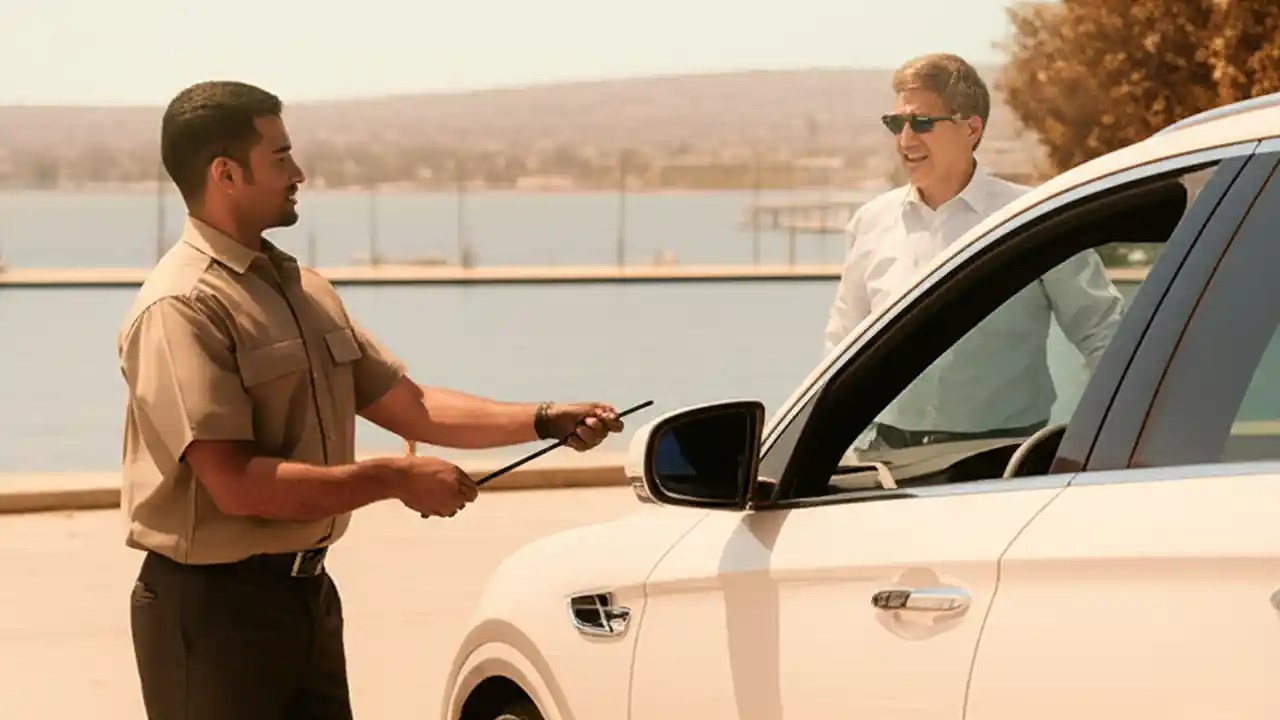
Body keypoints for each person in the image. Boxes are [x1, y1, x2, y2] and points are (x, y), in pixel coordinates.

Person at [117, 80, 625, 720]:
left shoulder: (302, 288)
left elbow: (412, 407)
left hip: (307, 602)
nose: (298, 172)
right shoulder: (181, 307)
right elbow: (238, 486)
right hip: (211, 617)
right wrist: (393, 477)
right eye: (279, 156)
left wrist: (546, 419)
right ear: (226, 172)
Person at [823, 53, 1125, 450]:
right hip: (885, 463)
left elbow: (1104, 332)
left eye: (922, 122)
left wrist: (1109, 440)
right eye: (897, 123)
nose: (906, 139)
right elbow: (841, 345)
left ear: (971, 127)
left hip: (999, 464)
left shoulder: (1034, 217)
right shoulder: (871, 221)